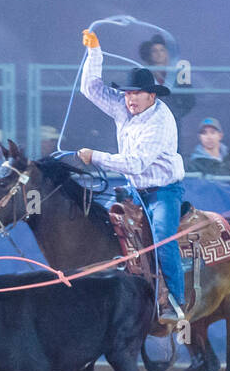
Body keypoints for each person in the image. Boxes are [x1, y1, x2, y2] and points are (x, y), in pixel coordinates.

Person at [77, 29, 186, 324]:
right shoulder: (125, 106)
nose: (129, 98)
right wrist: (95, 52)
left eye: (136, 93)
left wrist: (94, 156)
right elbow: (90, 88)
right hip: (134, 190)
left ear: (152, 95)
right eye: (126, 93)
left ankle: (176, 301)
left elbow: (136, 163)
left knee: (163, 239)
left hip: (163, 191)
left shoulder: (160, 122)